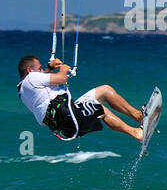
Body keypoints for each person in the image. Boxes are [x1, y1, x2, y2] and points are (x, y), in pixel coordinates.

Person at [16, 55, 146, 142]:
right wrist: (63, 69)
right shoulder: (32, 78)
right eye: (39, 68)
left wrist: (49, 68)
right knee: (105, 92)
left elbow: (41, 82)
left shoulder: (23, 91)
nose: (41, 71)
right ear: (29, 70)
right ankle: (138, 119)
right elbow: (61, 79)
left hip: (66, 126)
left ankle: (136, 130)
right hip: (69, 116)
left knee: (100, 107)